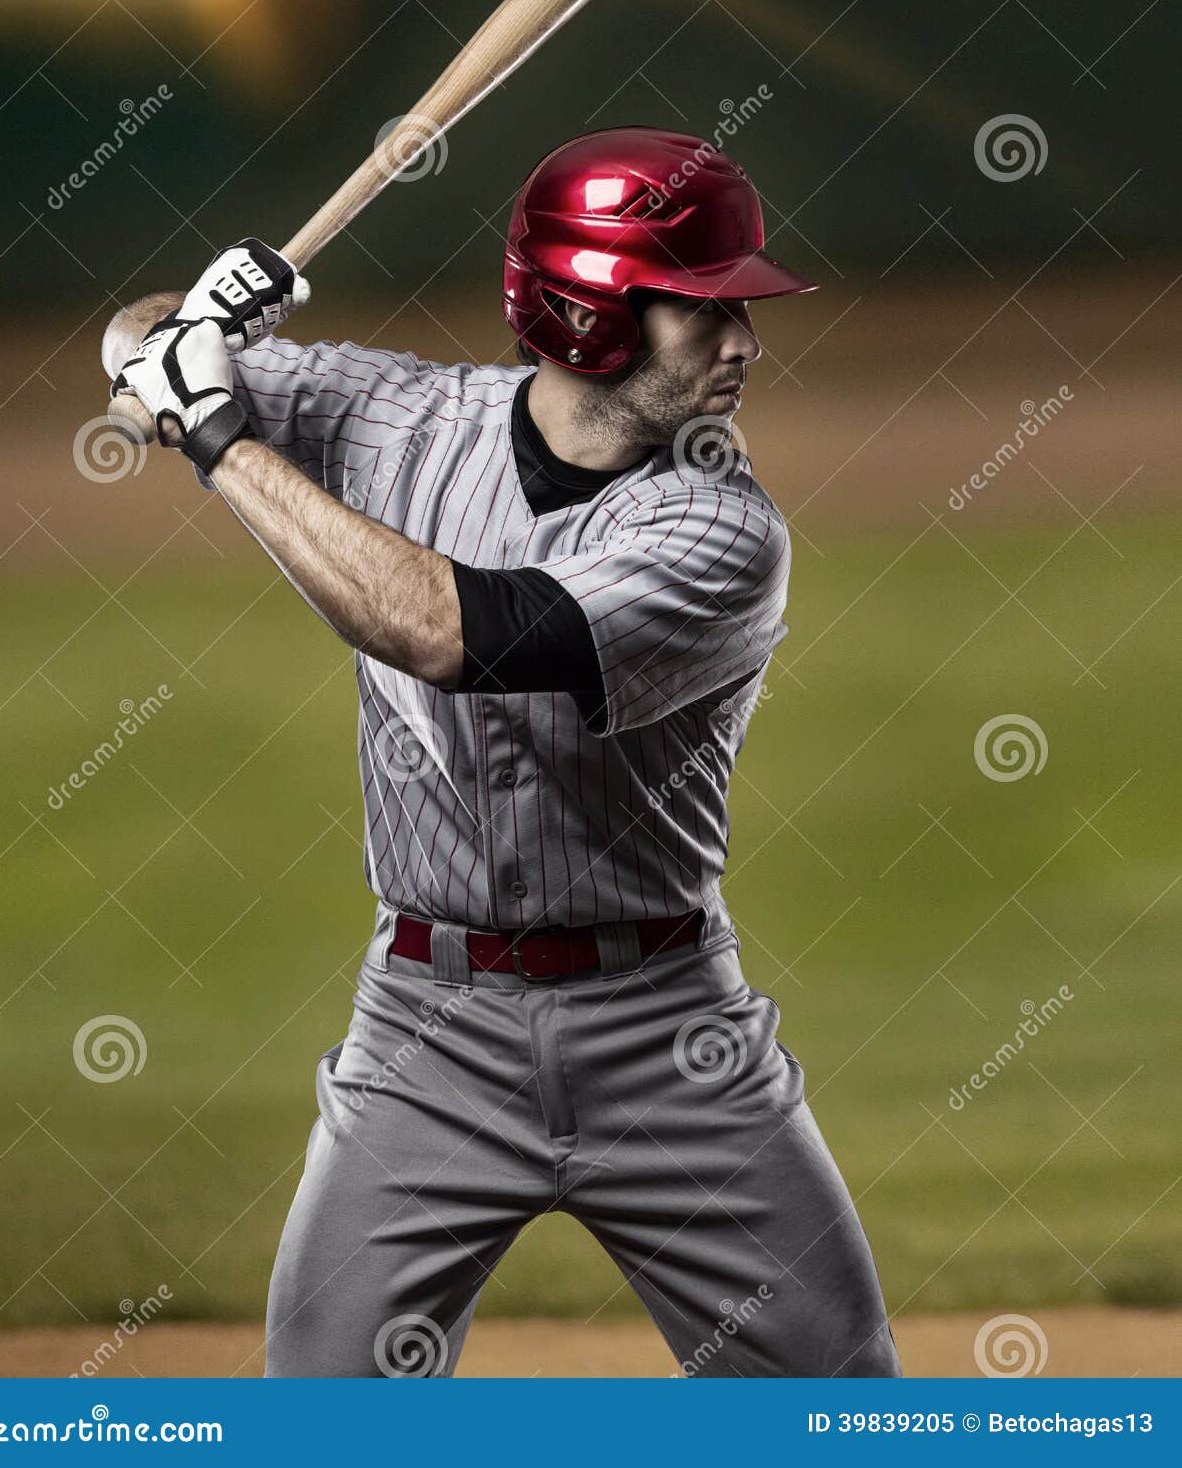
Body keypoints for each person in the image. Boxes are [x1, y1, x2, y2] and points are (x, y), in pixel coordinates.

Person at [108, 127, 901, 1379]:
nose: (745, 342)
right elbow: (131, 348)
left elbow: (439, 628)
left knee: (836, 1409)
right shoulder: (404, 416)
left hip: (667, 1033)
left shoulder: (719, 527)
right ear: (590, 314)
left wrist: (218, 437)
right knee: (323, 1416)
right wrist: (184, 321)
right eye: (706, 309)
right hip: (427, 1032)